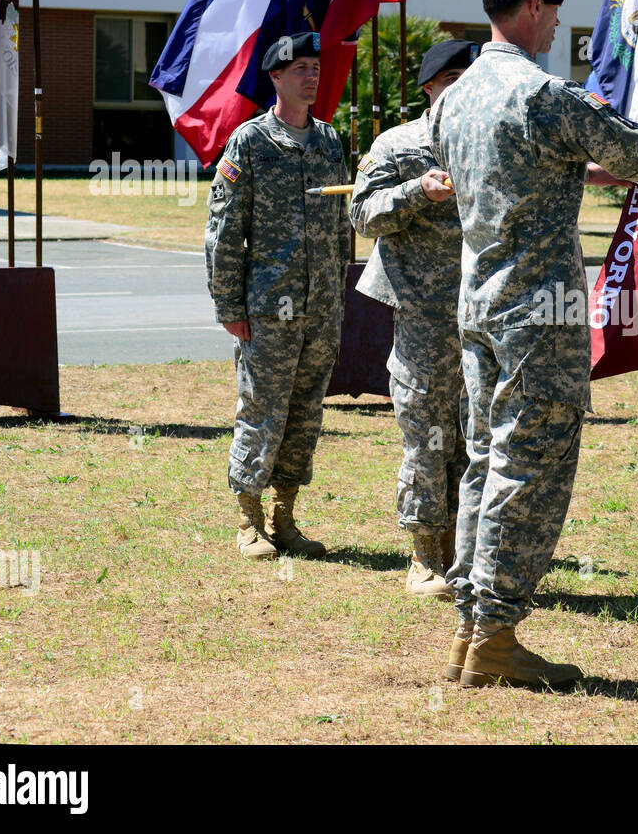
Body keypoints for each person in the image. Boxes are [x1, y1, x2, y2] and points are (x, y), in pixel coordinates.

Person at [430, 0, 638, 689]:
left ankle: (471, 625)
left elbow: (508, 165)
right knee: (529, 468)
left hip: (479, 307)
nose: (558, 24)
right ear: (531, 7)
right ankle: (495, 634)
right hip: (538, 315)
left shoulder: (453, 100)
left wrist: (581, 169)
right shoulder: (543, 95)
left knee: (485, 463)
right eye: (555, 11)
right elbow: (637, 147)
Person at [205, 32, 350, 561]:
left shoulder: (331, 141)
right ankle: (249, 518)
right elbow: (223, 229)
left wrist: (339, 292)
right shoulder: (250, 142)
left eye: (316, 67)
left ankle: (285, 515)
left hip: (321, 306)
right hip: (269, 306)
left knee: (305, 411)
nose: (312, 76)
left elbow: (341, 228)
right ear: (276, 77)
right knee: (262, 408)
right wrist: (229, 305)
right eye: (301, 69)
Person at [349, 38, 480, 598]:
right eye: (450, 80)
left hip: (481, 311)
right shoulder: (398, 144)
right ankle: (426, 556)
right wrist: (414, 192)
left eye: (467, 81)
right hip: (424, 315)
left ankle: (468, 551)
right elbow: (361, 213)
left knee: (476, 436)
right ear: (429, 88)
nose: (460, 91)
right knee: (427, 433)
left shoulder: (488, 141)